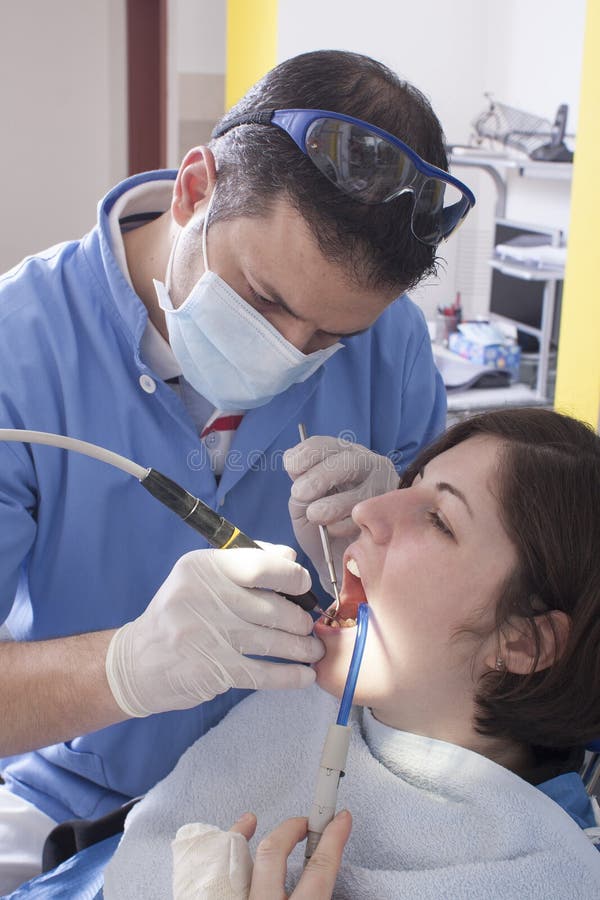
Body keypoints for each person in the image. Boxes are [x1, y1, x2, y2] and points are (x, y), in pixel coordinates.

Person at [0, 49, 475, 891]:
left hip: (299, 793)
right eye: (265, 301)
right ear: (194, 190)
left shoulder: (391, 342)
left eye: (330, 339)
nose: (289, 357)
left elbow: (443, 633)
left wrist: (397, 527)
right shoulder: (20, 352)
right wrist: (127, 665)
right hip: (71, 805)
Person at [103, 408, 600, 899]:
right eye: (412, 481)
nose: (368, 511)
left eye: (438, 520)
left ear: (523, 642)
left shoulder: (545, 873)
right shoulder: (303, 716)